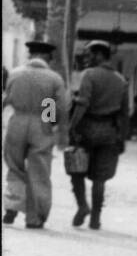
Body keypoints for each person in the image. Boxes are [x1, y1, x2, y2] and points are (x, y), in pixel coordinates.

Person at [2, 40, 70, 228]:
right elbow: (57, 107)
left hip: (17, 121)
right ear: (48, 57)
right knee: (39, 170)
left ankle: (11, 206)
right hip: (41, 123)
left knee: (14, 166)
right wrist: (57, 130)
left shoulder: (15, 74)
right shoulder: (53, 78)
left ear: (30, 55)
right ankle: (35, 217)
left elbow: (6, 99)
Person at [67, 39, 129, 230]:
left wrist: (71, 126)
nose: (87, 58)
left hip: (86, 129)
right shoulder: (121, 80)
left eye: (89, 54)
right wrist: (122, 137)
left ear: (100, 55)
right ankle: (96, 218)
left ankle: (82, 206)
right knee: (99, 178)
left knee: (77, 170)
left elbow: (82, 104)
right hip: (109, 132)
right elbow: (125, 113)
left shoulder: (89, 75)